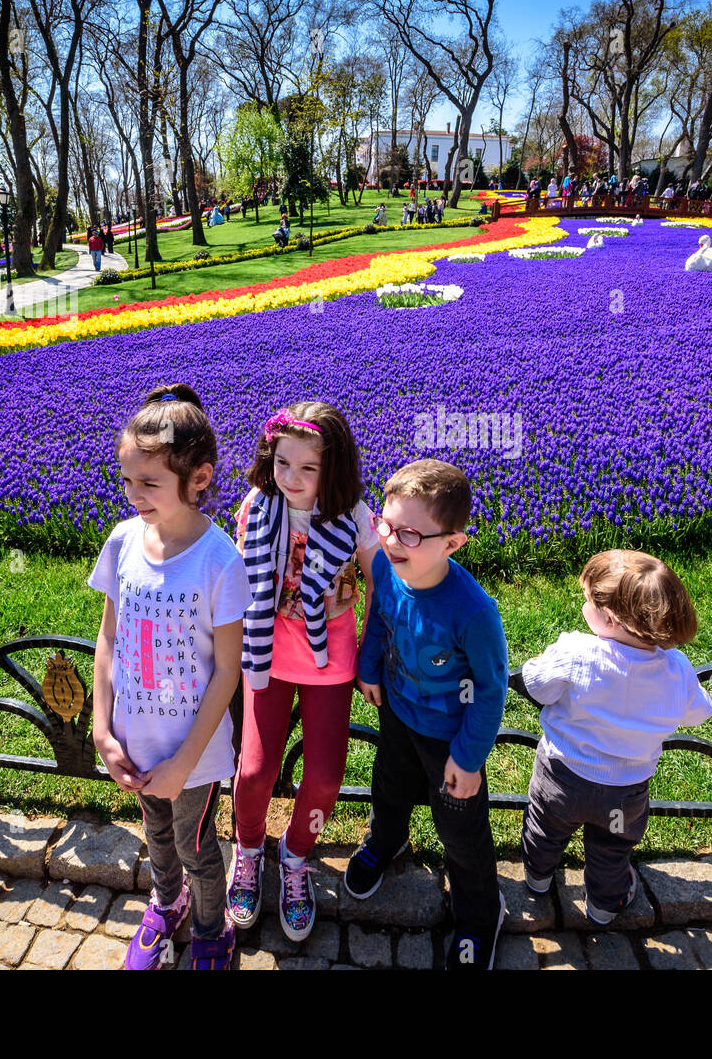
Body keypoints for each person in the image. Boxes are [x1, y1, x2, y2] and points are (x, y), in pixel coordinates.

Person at [89, 385, 251, 970]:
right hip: (136, 740)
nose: (134, 495)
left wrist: (185, 763)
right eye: (127, 480)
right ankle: (167, 901)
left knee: (197, 846)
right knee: (157, 837)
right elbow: (109, 637)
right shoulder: (123, 542)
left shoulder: (219, 561)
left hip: (195, 755)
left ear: (200, 477)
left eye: (149, 483)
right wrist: (101, 730)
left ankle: (213, 930)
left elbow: (228, 670)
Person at [347, 459, 509, 969]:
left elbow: (490, 689)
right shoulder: (389, 571)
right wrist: (368, 666)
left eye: (411, 533)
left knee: (460, 832)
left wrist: (468, 756)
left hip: (449, 736)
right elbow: (378, 617)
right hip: (397, 709)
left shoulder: (473, 611)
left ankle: (481, 915)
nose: (392, 540)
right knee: (388, 785)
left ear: (452, 543)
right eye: (387, 525)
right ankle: (387, 841)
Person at [227, 403, 380, 942]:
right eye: (282, 462)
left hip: (329, 656)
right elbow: (239, 581)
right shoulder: (257, 504)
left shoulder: (355, 515)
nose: (291, 478)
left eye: (308, 468)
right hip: (266, 651)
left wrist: (372, 652)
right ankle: (248, 849)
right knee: (254, 771)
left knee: (324, 777)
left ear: (332, 470)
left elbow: (378, 584)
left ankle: (296, 855)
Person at [519, 551, 712, 925]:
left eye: (589, 598)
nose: (583, 603)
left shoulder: (575, 651)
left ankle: (538, 878)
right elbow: (696, 714)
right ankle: (605, 907)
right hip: (625, 791)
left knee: (545, 828)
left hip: (562, 778)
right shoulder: (677, 668)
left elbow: (536, 685)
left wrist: (540, 660)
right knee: (611, 848)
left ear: (609, 617)